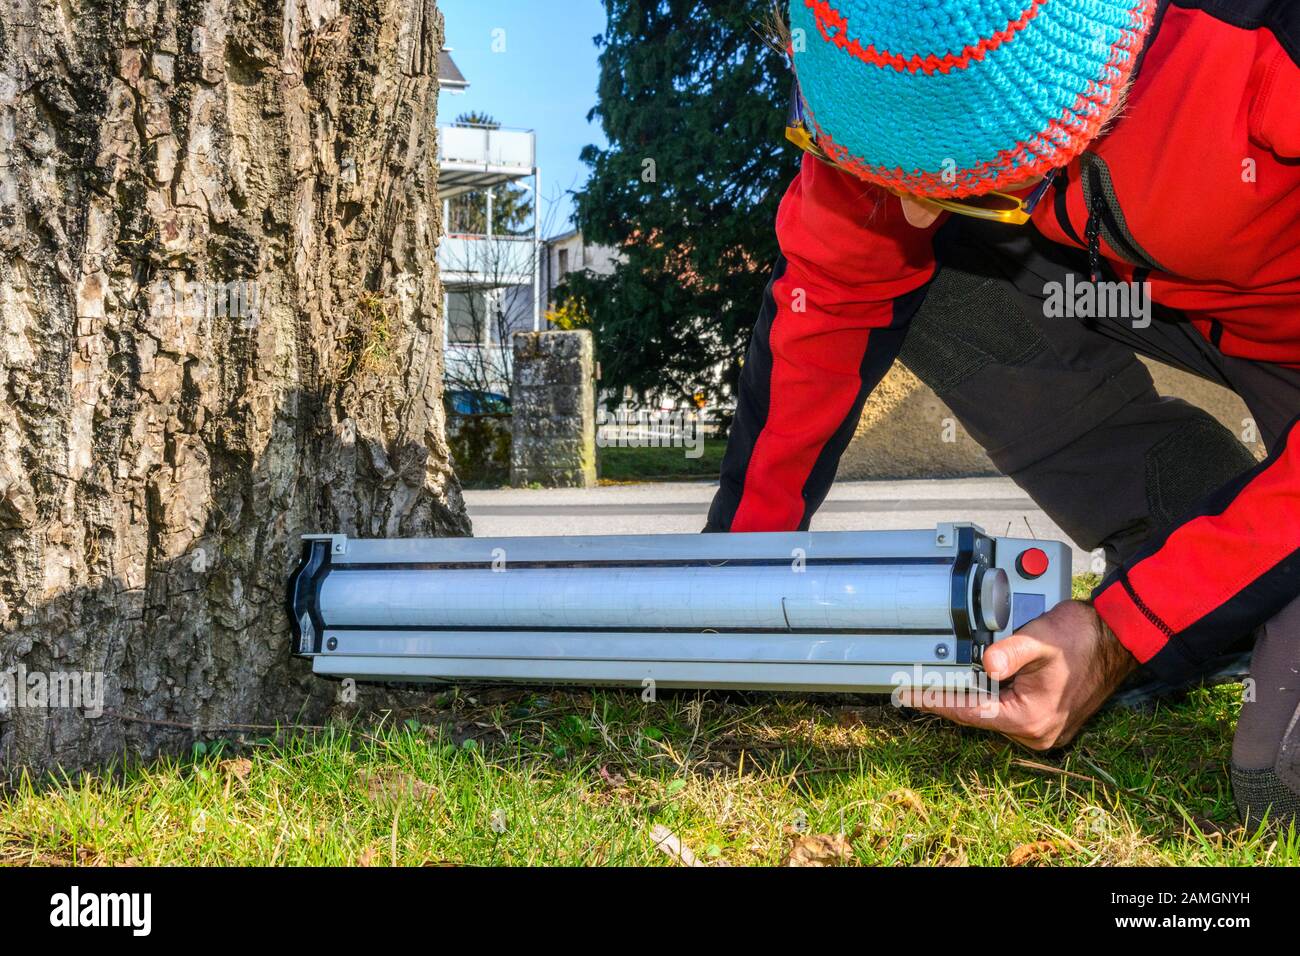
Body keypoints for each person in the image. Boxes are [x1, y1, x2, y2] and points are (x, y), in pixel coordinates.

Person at [706, 0, 1300, 828]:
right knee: (918, 270)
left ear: (1083, 98)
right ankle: (1177, 513)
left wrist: (1127, 626)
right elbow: (832, 302)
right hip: (1171, 291)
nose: (913, 210)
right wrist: (731, 583)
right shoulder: (883, 54)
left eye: (968, 187)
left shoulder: (1267, 47)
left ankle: (1220, 579)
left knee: (1279, 782)